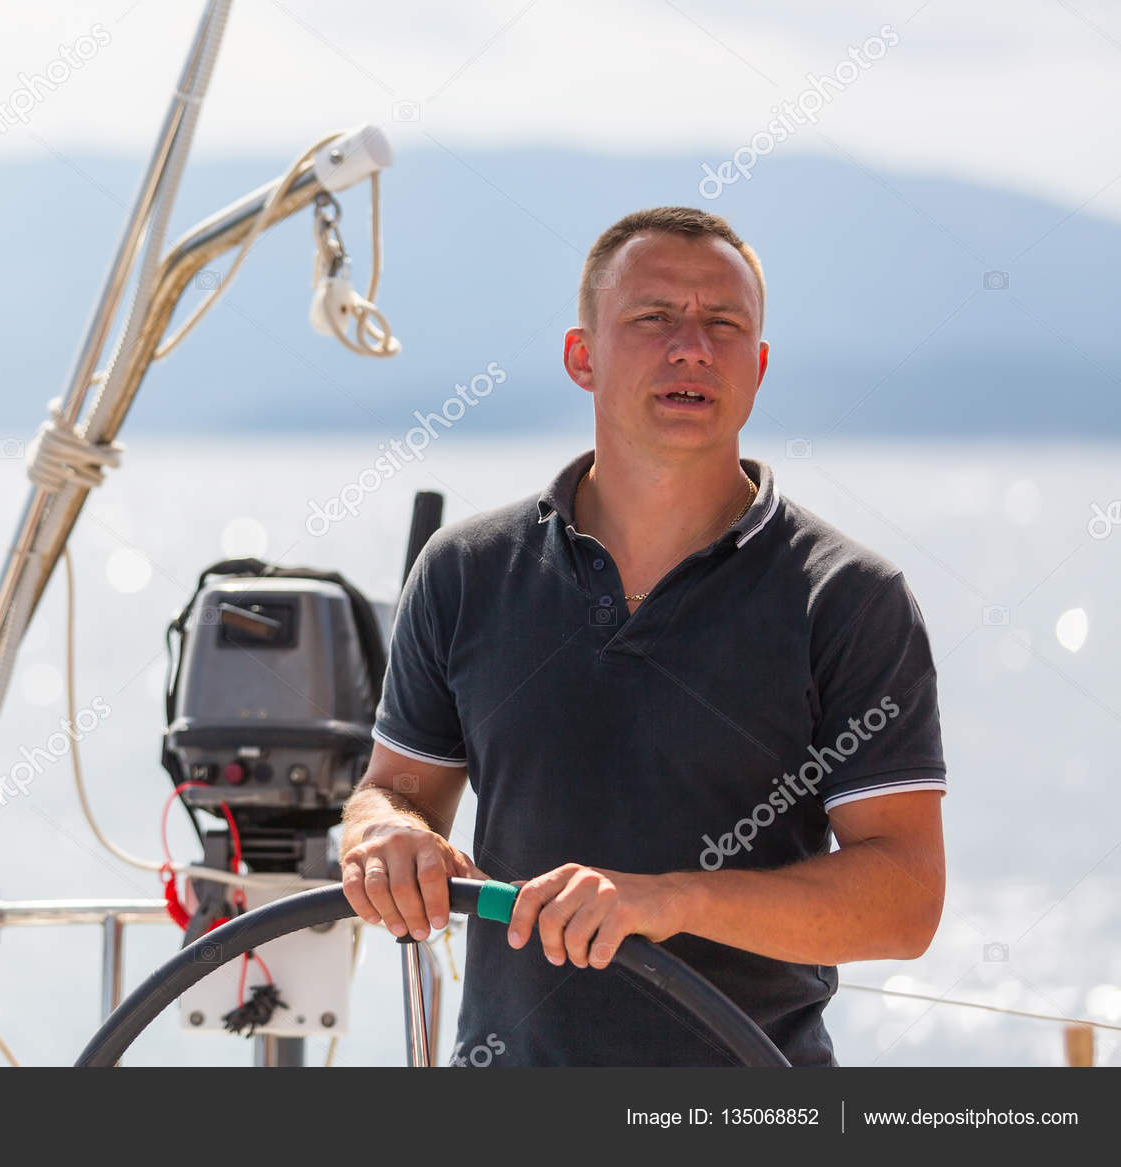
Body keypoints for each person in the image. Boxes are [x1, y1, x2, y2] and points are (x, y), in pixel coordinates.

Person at [339, 206, 947, 1066]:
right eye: (654, 317)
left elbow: (906, 898)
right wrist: (382, 836)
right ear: (582, 357)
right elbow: (393, 792)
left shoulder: (848, 597)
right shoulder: (466, 570)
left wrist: (666, 900)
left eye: (723, 324)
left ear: (756, 366)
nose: (692, 348)